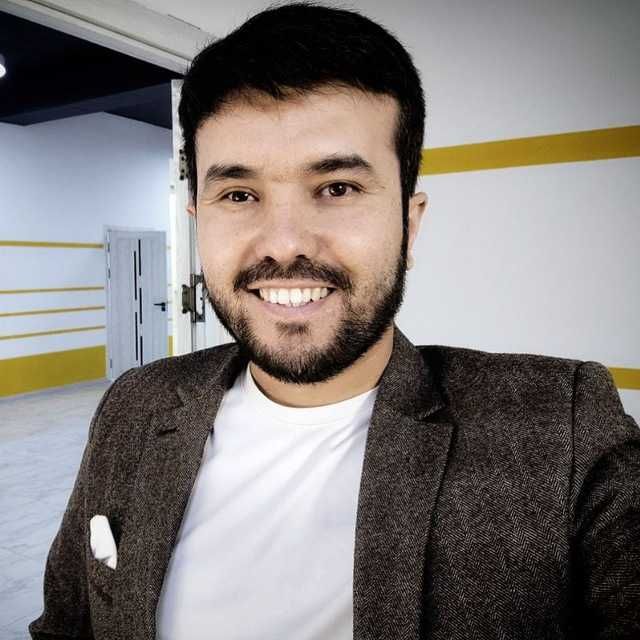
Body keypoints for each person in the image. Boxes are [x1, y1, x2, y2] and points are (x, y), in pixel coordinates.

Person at [30, 3, 640, 639]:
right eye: (239, 195)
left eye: (337, 188)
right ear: (198, 222)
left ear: (409, 224)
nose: (285, 244)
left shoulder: (562, 430)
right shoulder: (135, 404)